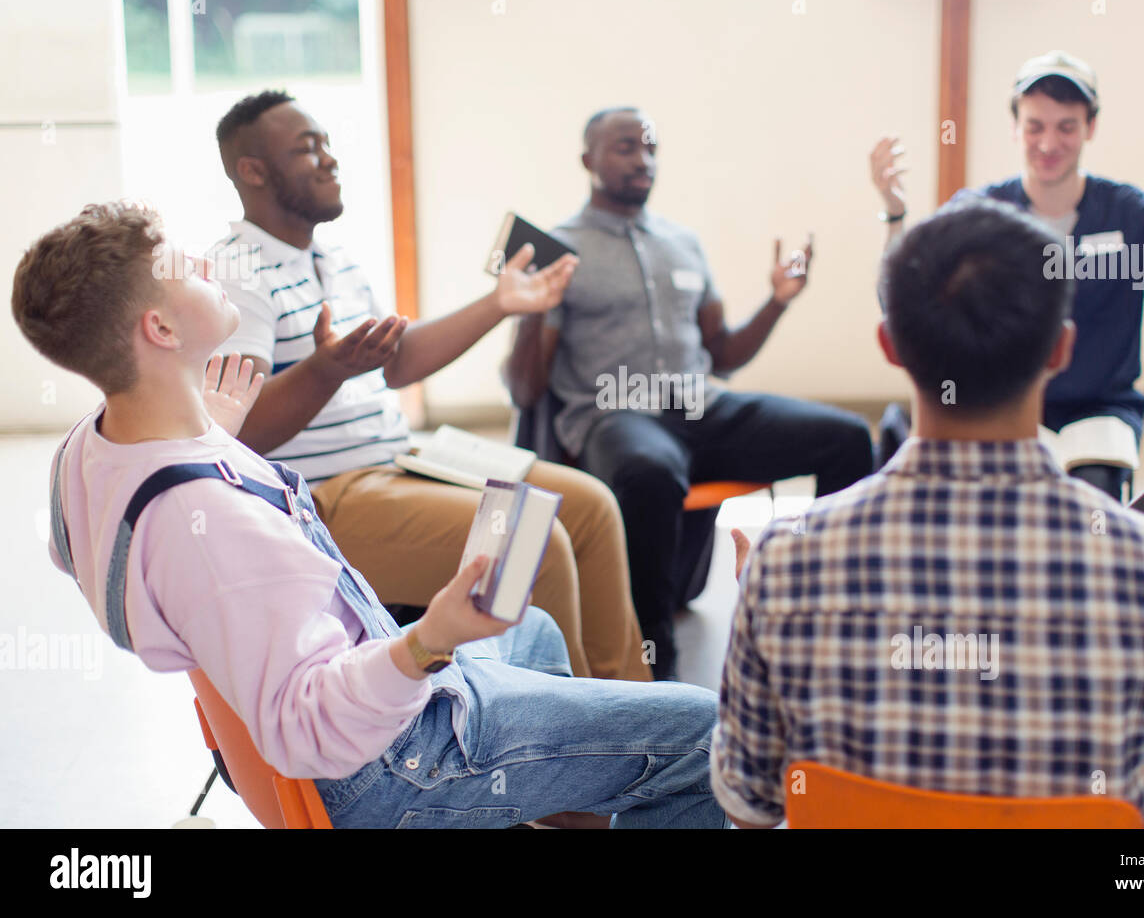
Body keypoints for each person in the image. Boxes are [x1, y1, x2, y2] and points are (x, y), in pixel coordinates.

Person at [14, 201, 725, 828]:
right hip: (392, 767)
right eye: (186, 269)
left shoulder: (93, 447)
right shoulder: (218, 523)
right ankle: (527, 788)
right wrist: (432, 638)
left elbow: (81, 548)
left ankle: (548, 796)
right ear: (162, 328)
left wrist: (211, 441)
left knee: (532, 628)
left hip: (357, 712)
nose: (206, 262)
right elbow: (307, 729)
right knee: (703, 734)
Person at [710, 198, 1144, 828]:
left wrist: (769, 613)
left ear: (889, 345)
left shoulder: (784, 565)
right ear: (1060, 350)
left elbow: (748, 804)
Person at [209, 90, 650, 682]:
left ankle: (629, 709)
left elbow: (398, 362)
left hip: (400, 459)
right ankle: (569, 735)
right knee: (532, 545)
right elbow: (239, 429)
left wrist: (500, 302)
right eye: (307, 149)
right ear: (253, 170)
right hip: (326, 496)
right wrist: (326, 369)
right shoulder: (238, 271)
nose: (330, 159)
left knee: (593, 508)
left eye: (329, 144)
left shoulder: (333, 259)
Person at [506, 106, 874, 679]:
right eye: (625, 147)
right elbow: (526, 386)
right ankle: (657, 673)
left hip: (702, 406)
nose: (642, 159)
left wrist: (778, 301)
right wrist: (531, 310)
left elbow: (723, 353)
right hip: (617, 412)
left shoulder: (683, 243)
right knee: (647, 473)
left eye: (649, 147)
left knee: (848, 438)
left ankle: (827, 629)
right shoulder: (560, 250)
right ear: (588, 160)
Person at [871, 50, 1144, 502]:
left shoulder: (1135, 215)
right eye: (1035, 126)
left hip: (1100, 411)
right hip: (997, 400)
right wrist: (894, 214)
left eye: (1066, 126)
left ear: (1090, 127)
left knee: (1091, 500)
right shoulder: (980, 213)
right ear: (1015, 128)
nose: (1049, 143)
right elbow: (899, 302)